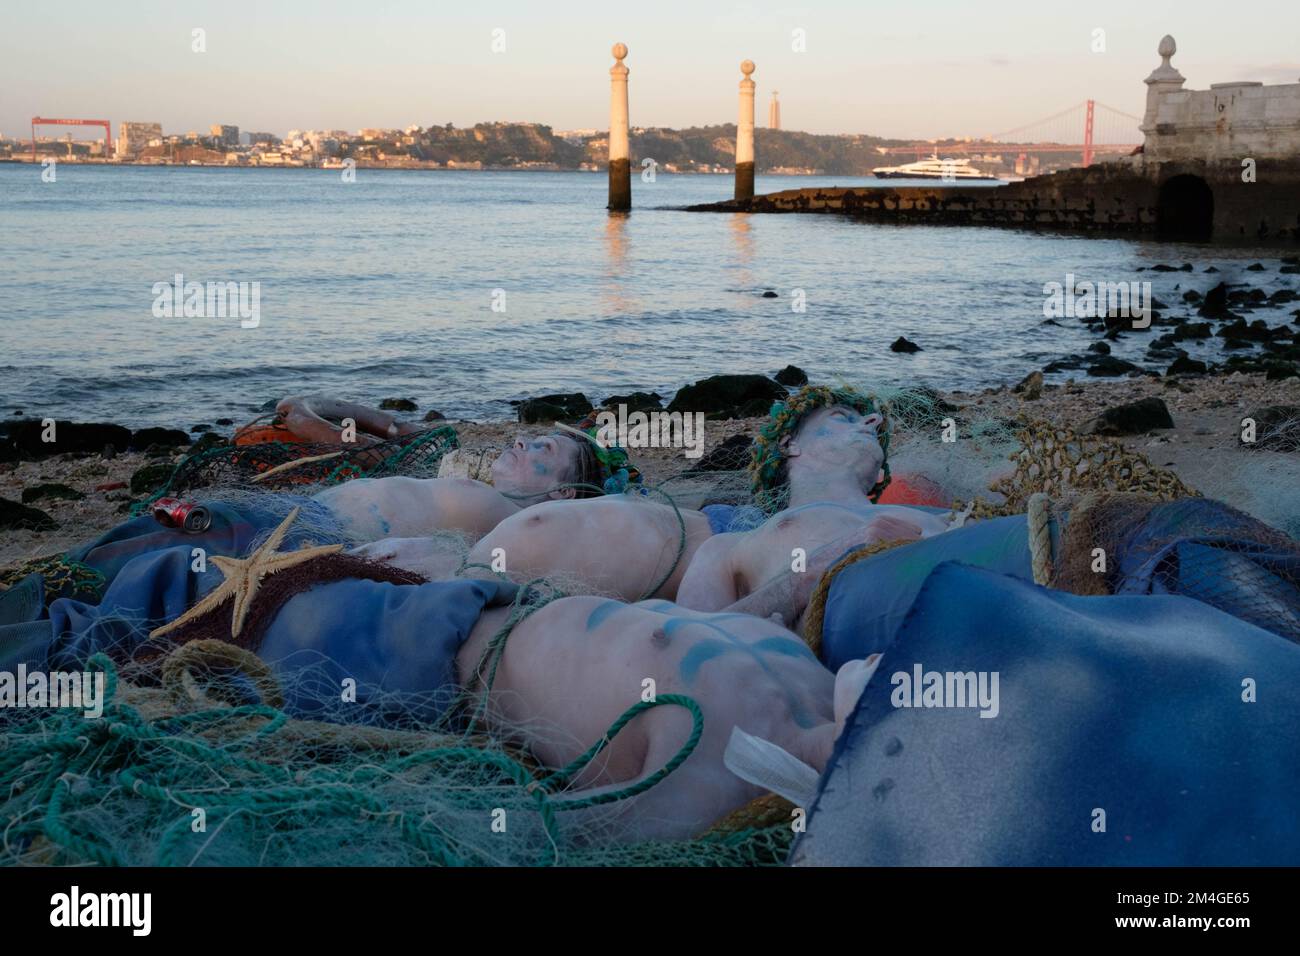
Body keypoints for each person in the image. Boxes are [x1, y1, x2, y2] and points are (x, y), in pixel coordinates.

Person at [455, 593, 879, 842]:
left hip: (450, 650)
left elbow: (536, 829)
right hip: (509, 595)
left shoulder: (718, 778)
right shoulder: (823, 689)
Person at [676, 385, 957, 628]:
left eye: (871, 421)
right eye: (842, 417)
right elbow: (689, 642)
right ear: (789, 444)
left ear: (878, 477)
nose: (875, 420)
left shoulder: (942, 517)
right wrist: (820, 567)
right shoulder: (727, 547)